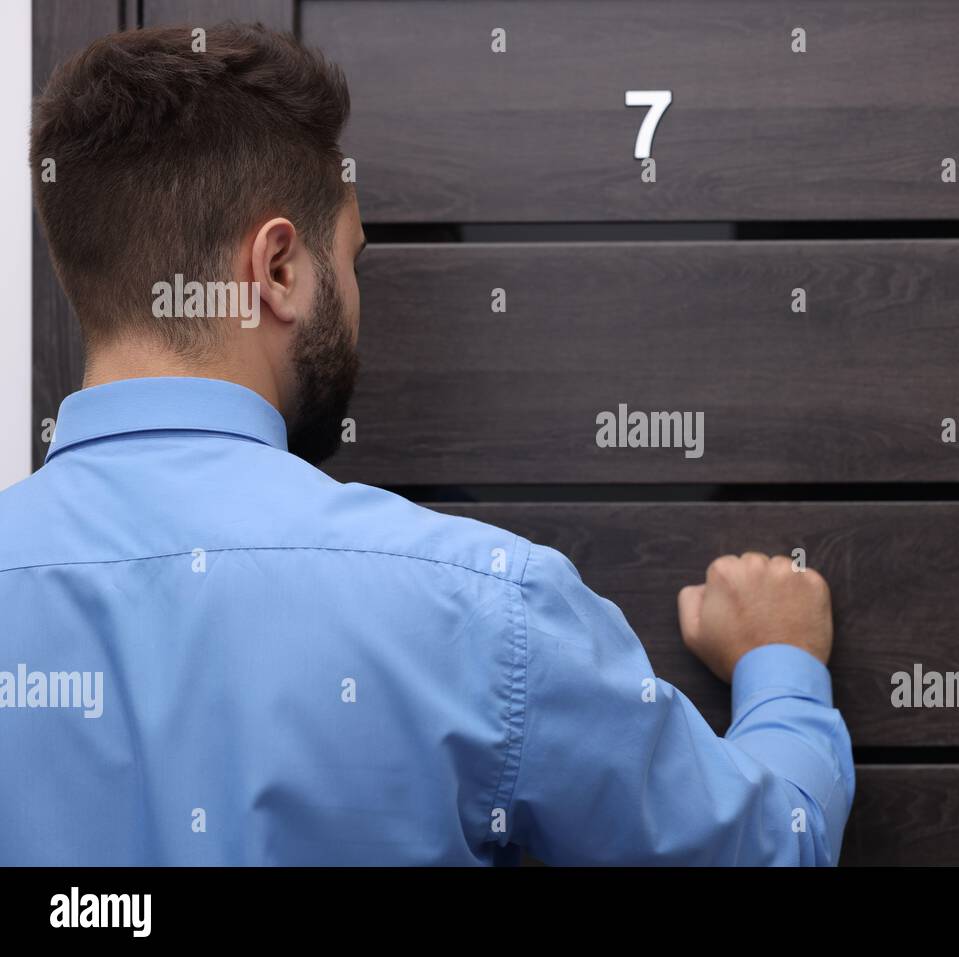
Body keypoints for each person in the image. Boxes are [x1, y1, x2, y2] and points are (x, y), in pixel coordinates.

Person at [0, 23, 853, 865]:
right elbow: (779, 847)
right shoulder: (485, 609)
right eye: (353, 260)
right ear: (280, 271)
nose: (360, 301)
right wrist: (780, 664)